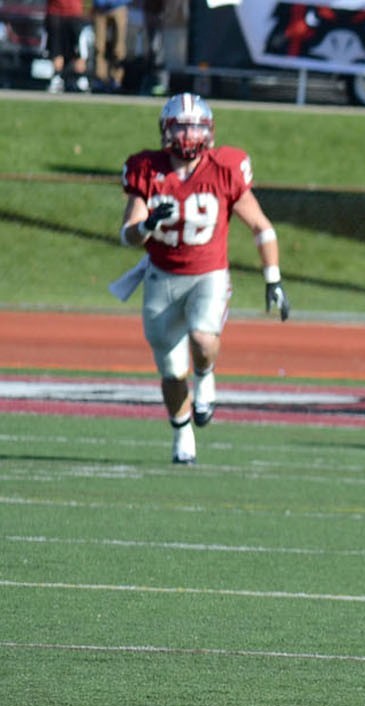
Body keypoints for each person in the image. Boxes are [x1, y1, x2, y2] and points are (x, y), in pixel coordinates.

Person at [120, 94, 290, 465]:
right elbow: (128, 233)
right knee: (169, 370)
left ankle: (206, 374)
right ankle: (182, 433)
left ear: (209, 130)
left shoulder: (225, 167)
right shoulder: (147, 169)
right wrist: (148, 223)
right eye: (181, 124)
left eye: (195, 124)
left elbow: (261, 227)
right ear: (166, 129)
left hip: (208, 274)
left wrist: (272, 279)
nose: (188, 133)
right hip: (162, 276)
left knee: (202, 336)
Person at [44, 0, 90, 93]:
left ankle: (80, 79)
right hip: (56, 13)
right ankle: (57, 78)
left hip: (74, 14)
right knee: (57, 50)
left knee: (79, 51)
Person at [91, 0, 130, 91]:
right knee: (99, 47)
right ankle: (100, 79)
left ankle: (116, 80)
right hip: (100, 8)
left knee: (119, 48)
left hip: (119, 6)